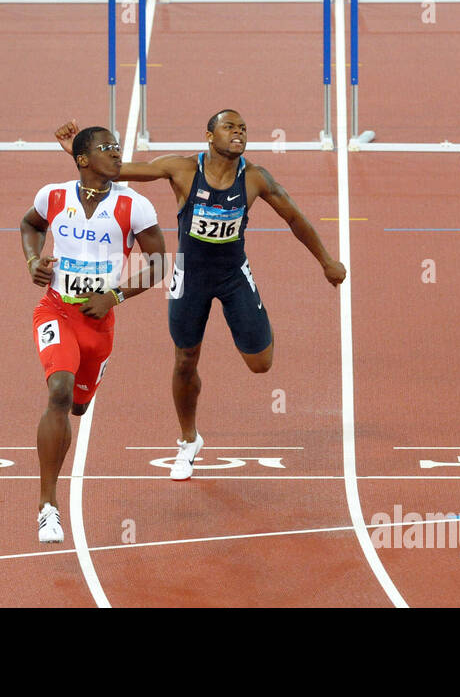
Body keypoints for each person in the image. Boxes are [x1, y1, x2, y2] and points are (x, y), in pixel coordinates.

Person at [56, 111, 345, 481]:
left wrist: (326, 261)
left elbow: (295, 218)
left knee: (261, 364)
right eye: (230, 127)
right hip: (189, 278)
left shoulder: (255, 178)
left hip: (232, 276)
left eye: (243, 128)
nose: (239, 132)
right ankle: (188, 440)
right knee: (184, 360)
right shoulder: (181, 169)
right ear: (210, 136)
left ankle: (253, 322)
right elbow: (116, 171)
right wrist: (76, 151)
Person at [20, 127, 166, 543]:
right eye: (107, 148)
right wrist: (33, 261)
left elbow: (159, 264)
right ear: (83, 160)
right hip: (56, 310)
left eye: (118, 147)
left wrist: (114, 296)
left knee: (79, 406)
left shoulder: (134, 205)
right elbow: (29, 225)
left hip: (98, 323)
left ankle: (83, 396)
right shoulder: (53, 196)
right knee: (59, 392)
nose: (117, 153)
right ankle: (48, 505)